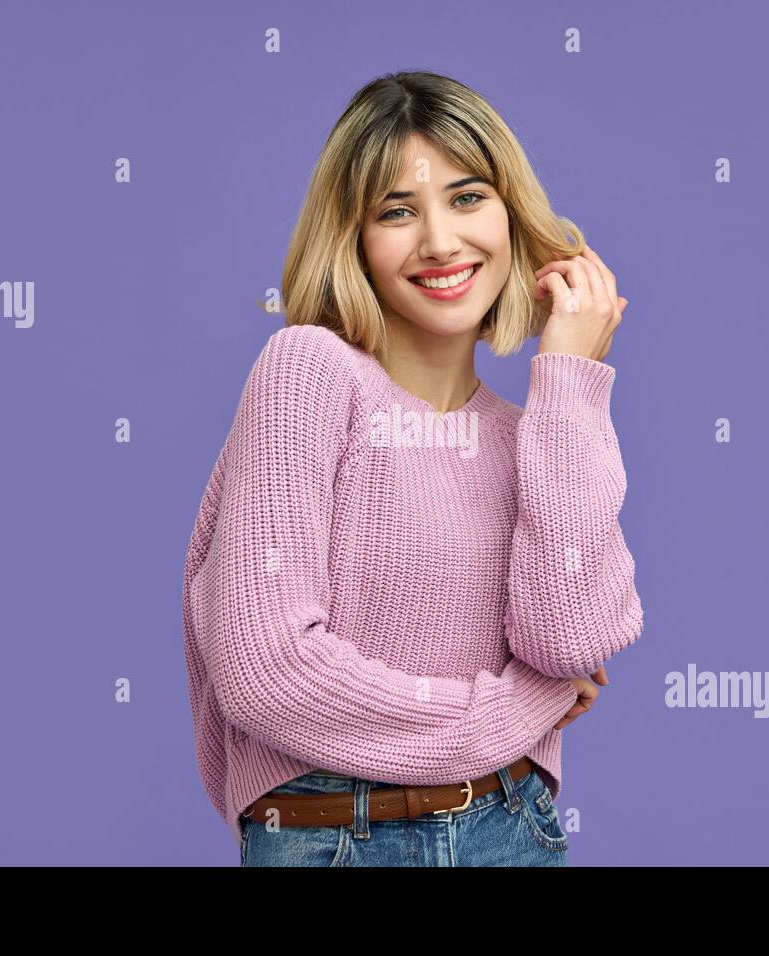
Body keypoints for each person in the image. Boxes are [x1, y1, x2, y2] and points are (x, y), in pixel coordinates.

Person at [182, 70, 644, 866]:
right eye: (397, 211)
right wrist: (518, 707)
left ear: (510, 214)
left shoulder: (533, 435)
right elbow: (267, 672)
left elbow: (569, 640)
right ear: (354, 239)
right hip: (336, 837)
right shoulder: (308, 372)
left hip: (512, 828)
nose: (439, 241)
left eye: (468, 197)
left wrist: (567, 379)